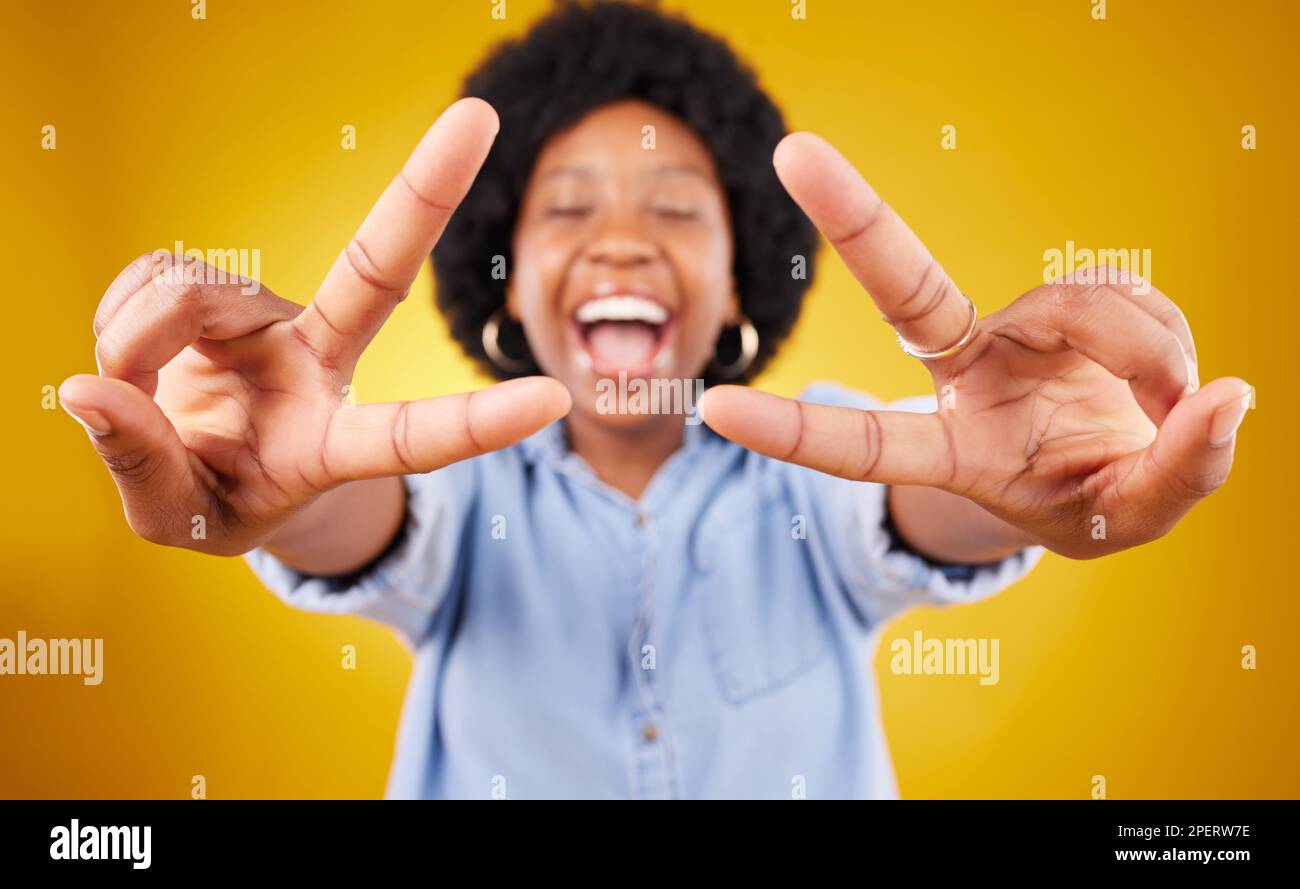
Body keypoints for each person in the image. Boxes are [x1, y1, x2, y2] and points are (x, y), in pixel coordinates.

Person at [59, 1, 1250, 798]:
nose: (623, 242)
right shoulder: (456, 492)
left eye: (678, 209)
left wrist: (1034, 492)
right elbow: (352, 525)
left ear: (741, 285)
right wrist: (265, 492)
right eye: (567, 210)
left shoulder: (816, 471)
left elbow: (930, 504)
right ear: (503, 286)